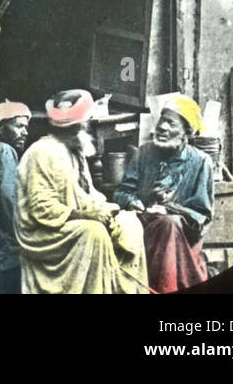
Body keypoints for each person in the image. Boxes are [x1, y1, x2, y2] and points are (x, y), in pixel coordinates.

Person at [16, 88, 148, 294]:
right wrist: (88, 215)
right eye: (85, 125)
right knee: (94, 233)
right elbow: (41, 208)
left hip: (70, 222)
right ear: (74, 127)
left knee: (130, 224)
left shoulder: (73, 151)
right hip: (43, 233)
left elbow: (87, 194)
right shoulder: (42, 153)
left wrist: (110, 210)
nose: (88, 131)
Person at [114, 95, 214, 292]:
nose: (162, 127)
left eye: (170, 123)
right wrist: (133, 203)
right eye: (162, 119)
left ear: (186, 132)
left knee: (168, 224)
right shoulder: (143, 153)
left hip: (181, 240)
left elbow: (201, 216)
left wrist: (169, 210)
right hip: (142, 230)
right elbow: (122, 192)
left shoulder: (201, 162)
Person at [0, 100, 31, 294]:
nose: (25, 132)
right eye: (18, 126)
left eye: (26, 127)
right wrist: (20, 233)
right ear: (1, 128)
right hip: (6, 247)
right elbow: (7, 197)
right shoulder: (5, 150)